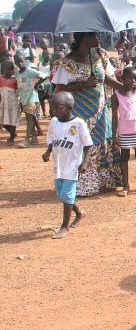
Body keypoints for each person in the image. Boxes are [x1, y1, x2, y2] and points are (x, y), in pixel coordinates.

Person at [51, 33, 122, 196]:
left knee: (102, 142)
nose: (99, 38)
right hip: (80, 111)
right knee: (83, 144)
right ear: (85, 38)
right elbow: (60, 86)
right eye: (95, 36)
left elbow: (106, 78)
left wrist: (122, 87)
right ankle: (85, 184)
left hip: (100, 109)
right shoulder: (67, 62)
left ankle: (105, 181)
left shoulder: (100, 55)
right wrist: (84, 84)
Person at [42, 92, 92, 239]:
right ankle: (78, 212)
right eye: (52, 108)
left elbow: (88, 145)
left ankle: (64, 226)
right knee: (61, 194)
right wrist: (47, 152)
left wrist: (85, 162)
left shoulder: (79, 124)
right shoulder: (54, 122)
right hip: (58, 164)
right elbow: (51, 139)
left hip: (72, 165)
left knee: (67, 194)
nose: (53, 111)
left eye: (57, 108)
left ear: (69, 108)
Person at [112, 66, 136, 197]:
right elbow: (114, 118)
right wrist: (114, 135)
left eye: (135, 79)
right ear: (122, 79)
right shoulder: (116, 96)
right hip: (124, 132)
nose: (133, 81)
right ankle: (126, 185)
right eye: (130, 78)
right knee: (124, 158)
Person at [13, 52, 46, 147]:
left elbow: (43, 76)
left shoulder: (29, 70)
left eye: (21, 61)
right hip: (24, 100)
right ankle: (34, 139)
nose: (19, 63)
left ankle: (27, 139)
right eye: (17, 62)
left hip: (31, 98)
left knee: (29, 120)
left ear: (24, 61)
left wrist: (37, 84)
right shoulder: (18, 74)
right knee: (31, 118)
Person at [0, 60, 20, 145]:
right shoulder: (0, 78)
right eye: (5, 69)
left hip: (13, 102)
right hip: (2, 102)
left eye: (10, 69)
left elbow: (19, 91)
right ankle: (12, 133)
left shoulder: (15, 79)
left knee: (12, 120)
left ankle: (12, 137)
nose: (7, 71)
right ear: (2, 69)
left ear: (13, 70)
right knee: (2, 119)